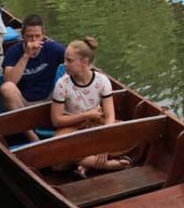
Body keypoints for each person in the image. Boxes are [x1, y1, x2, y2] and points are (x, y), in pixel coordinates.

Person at [51, 37, 131, 178]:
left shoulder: (102, 81)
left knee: (128, 134)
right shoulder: (62, 84)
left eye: (69, 60)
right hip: (72, 128)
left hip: (96, 125)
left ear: (84, 62)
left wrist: (104, 143)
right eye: (65, 59)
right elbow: (56, 120)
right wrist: (86, 115)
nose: (65, 64)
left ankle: (85, 163)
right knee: (57, 151)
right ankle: (104, 164)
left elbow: (110, 116)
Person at [1, 14, 65, 142]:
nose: (34, 40)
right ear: (23, 36)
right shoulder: (14, 51)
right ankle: (32, 137)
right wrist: (26, 55)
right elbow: (9, 81)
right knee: (6, 88)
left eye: (37, 36)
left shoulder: (53, 48)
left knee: (72, 77)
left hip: (50, 98)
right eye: (29, 36)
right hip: (24, 103)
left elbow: (75, 59)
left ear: (43, 35)